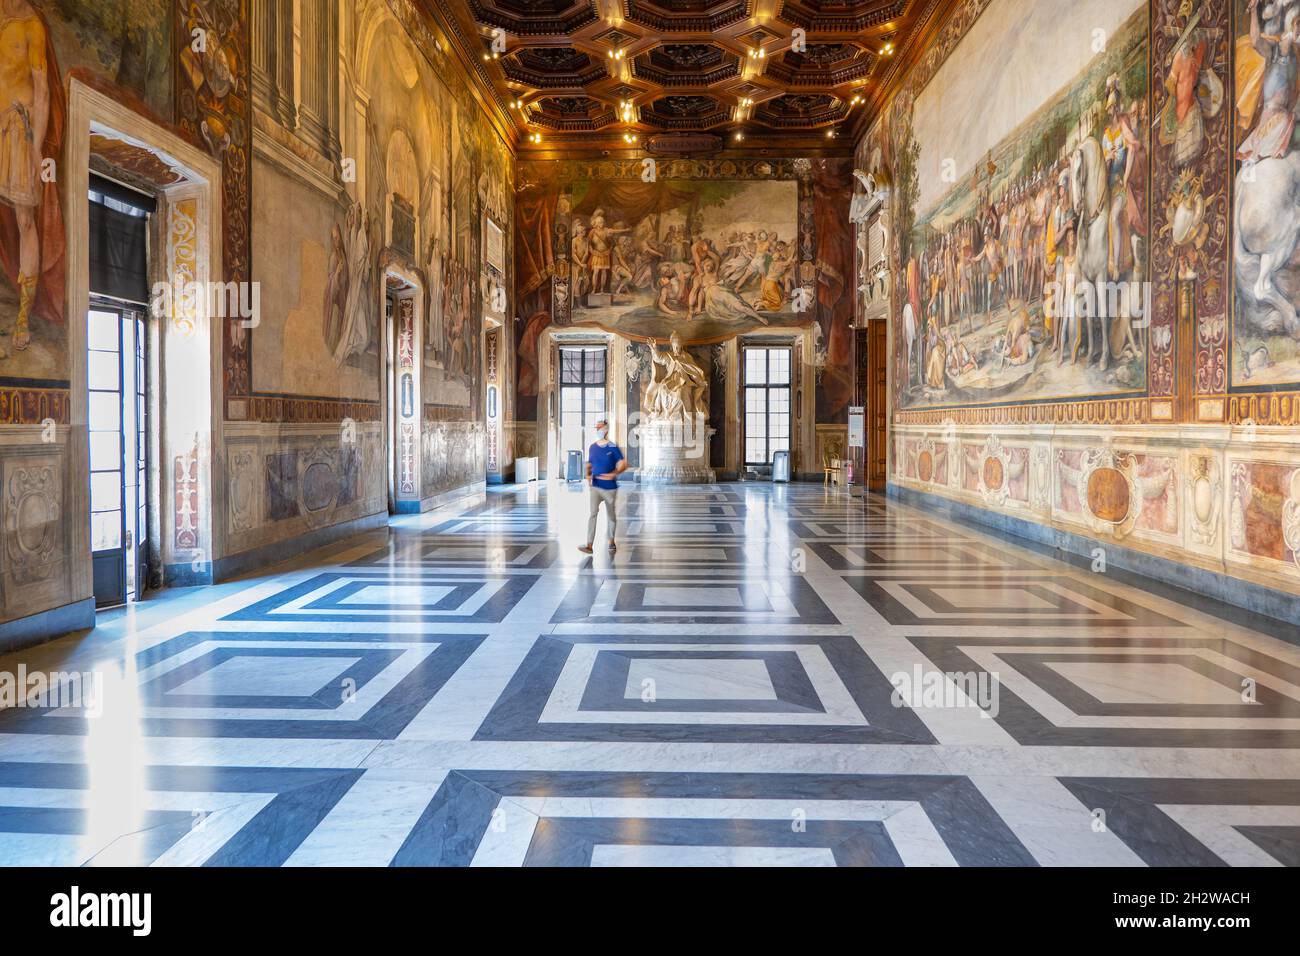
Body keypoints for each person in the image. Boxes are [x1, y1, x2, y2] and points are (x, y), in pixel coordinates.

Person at [579, 419, 627, 554]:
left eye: (600, 427)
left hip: (610, 488)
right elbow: (590, 463)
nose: (598, 430)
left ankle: (611, 541)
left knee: (611, 515)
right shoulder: (592, 447)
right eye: (596, 428)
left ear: (606, 430)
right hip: (595, 486)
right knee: (592, 514)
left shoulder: (612, 446)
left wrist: (614, 473)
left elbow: (624, 463)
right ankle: (589, 545)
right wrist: (588, 474)